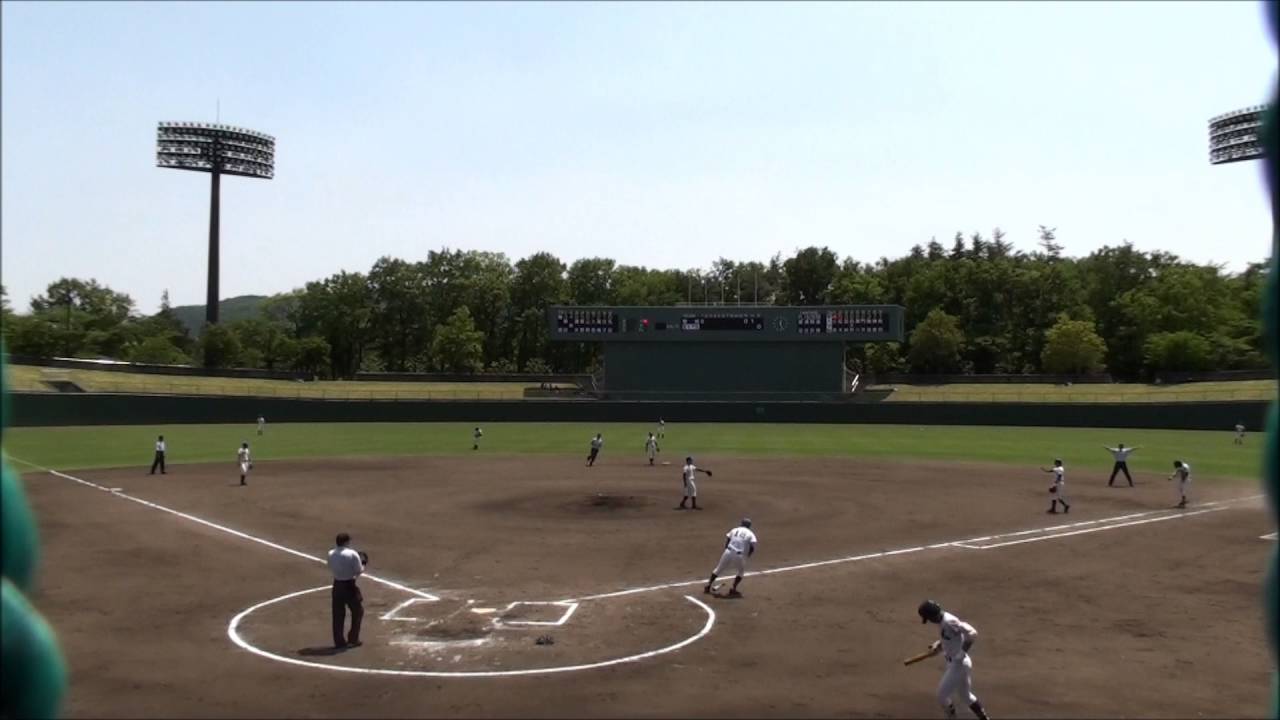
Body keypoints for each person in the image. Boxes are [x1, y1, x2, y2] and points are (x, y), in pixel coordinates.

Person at [917, 600, 990, 720]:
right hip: (956, 663)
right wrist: (938, 645)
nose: (929, 621)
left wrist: (962, 653)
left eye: (929, 618)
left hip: (959, 664)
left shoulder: (949, 621)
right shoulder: (941, 622)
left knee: (942, 696)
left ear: (933, 615)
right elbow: (949, 638)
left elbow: (972, 633)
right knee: (966, 696)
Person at [327, 533, 365, 650]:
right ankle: (353, 638)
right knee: (358, 611)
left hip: (337, 585)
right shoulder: (352, 554)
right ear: (346, 542)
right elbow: (358, 570)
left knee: (337, 614)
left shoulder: (330, 553)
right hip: (349, 586)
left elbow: (330, 566)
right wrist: (363, 565)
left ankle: (339, 641)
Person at [704, 518, 757, 597]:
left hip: (728, 551)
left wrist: (727, 550)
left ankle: (708, 586)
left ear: (741, 523)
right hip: (739, 555)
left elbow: (728, 539)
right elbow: (752, 547)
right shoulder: (751, 534)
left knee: (718, 569)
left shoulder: (734, 530)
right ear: (749, 526)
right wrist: (747, 555)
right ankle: (733, 589)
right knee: (741, 572)